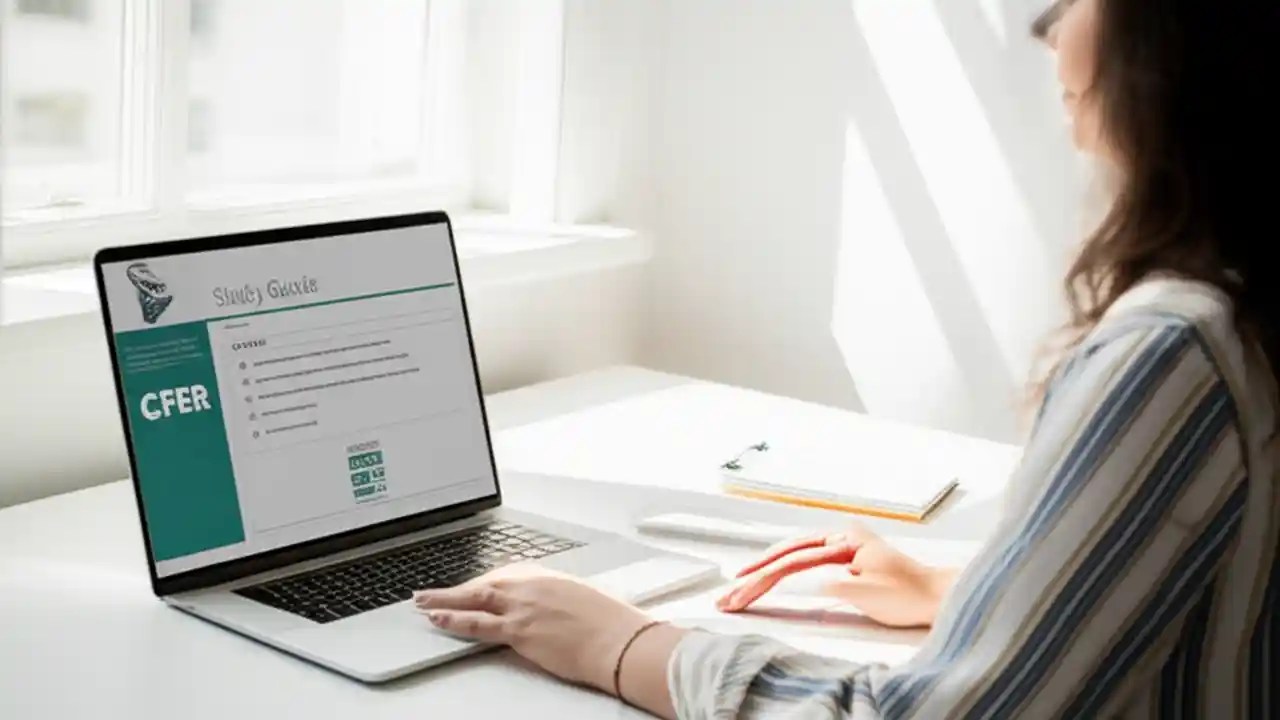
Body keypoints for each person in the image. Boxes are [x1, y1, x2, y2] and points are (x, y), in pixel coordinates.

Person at [412, 0, 1280, 716]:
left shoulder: (1174, 348)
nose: (1048, 27)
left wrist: (624, 643)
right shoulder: (1242, 310)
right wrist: (976, 591)